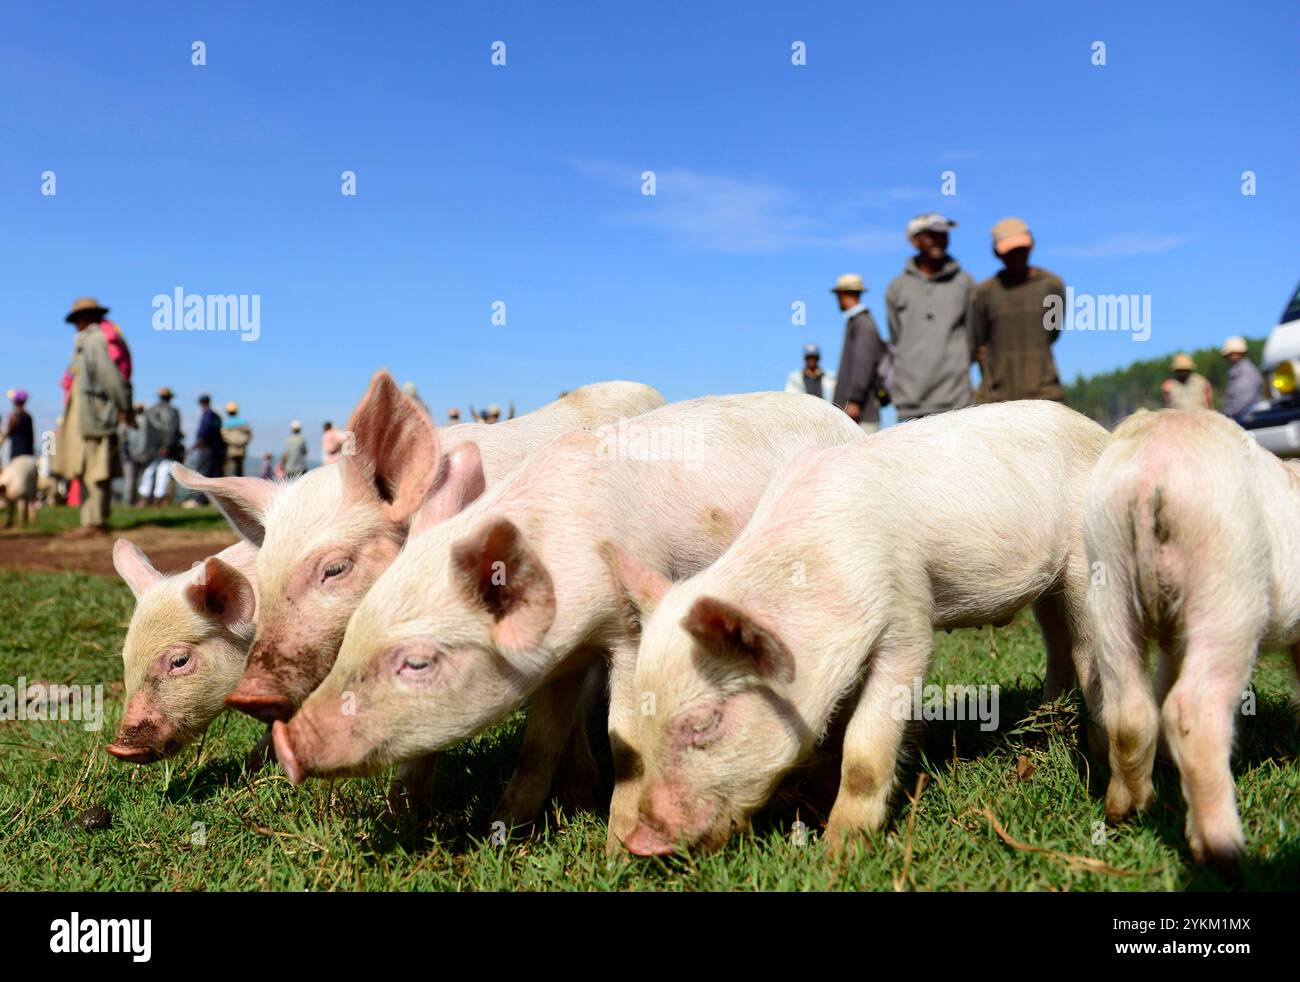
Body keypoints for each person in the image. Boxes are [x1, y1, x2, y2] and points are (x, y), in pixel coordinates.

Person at [51, 297, 134, 537]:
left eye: (79, 319)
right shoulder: (85, 343)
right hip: (83, 417)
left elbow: (111, 378)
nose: (77, 324)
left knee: (97, 469)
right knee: (86, 468)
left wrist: (124, 406)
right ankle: (89, 519)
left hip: (95, 416)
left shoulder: (96, 341)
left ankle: (96, 522)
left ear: (87, 318)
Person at [885, 214, 975, 420]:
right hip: (911, 402)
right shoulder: (897, 288)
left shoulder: (965, 283)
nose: (939, 241)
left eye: (943, 235)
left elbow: (973, 335)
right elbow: (896, 336)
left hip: (956, 402)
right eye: (931, 235)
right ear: (914, 241)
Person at [967, 218, 1067, 404]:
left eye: (1021, 249)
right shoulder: (984, 293)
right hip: (997, 400)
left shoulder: (1052, 286)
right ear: (997, 253)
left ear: (1031, 246)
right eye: (1010, 252)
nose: (1016, 256)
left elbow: (1052, 333)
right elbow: (976, 344)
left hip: (1044, 396)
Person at [829, 274, 888, 433]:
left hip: (860, 413)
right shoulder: (857, 322)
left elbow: (864, 363)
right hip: (855, 412)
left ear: (841, 294)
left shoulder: (862, 323)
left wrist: (854, 400)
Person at [140, 387, 182, 507]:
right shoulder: (174, 411)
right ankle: (158, 498)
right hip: (167, 446)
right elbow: (173, 430)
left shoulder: (150, 410)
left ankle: (144, 498)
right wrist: (167, 444)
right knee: (163, 471)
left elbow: (147, 431)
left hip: (152, 446)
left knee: (149, 470)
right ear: (169, 397)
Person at [182, 395, 226, 507]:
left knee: (203, 472)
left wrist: (200, 440)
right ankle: (211, 499)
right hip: (216, 449)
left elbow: (204, 430)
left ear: (201, 403)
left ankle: (200, 499)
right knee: (213, 473)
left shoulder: (207, 414)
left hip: (206, 447)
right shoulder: (216, 416)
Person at [1220, 336, 1265, 422]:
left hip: (1248, 419)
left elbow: (1242, 400)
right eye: (1230, 354)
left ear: (1242, 353)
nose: (1232, 356)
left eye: (1235, 353)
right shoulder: (1235, 372)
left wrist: (1226, 415)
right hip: (1240, 418)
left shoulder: (1247, 371)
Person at [121, 402, 150, 506]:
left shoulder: (128, 421)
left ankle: (128, 501)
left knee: (130, 480)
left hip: (130, 454)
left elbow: (123, 438)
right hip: (143, 454)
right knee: (143, 479)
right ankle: (140, 501)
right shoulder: (146, 421)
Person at [221, 401, 253, 476]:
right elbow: (249, 435)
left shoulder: (225, 424)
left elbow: (223, 437)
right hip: (241, 451)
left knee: (230, 474)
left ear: (227, 412)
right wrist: (243, 443)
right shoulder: (244, 422)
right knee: (240, 473)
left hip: (230, 451)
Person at [3, 390, 35, 461]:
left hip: (16, 452)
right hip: (28, 451)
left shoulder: (13, 417)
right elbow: (32, 436)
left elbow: (9, 434)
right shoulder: (28, 416)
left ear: (15, 402)